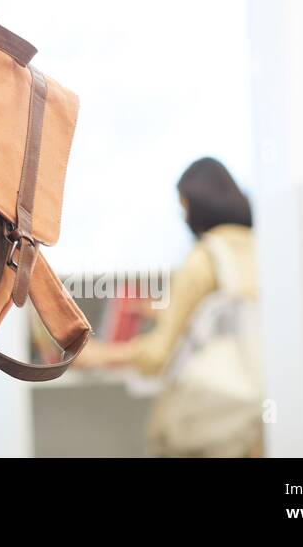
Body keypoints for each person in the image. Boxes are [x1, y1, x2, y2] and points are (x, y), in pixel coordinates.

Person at [73, 157, 263, 457]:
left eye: (183, 207)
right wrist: (167, 310)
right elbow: (230, 321)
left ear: (197, 205)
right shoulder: (262, 247)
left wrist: (99, 355)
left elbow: (161, 354)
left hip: (212, 423)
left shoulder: (205, 258)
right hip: (257, 421)